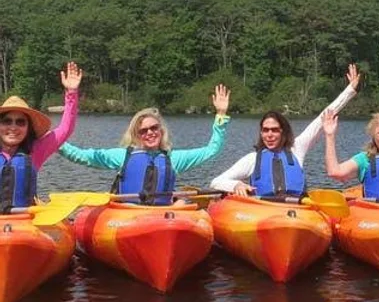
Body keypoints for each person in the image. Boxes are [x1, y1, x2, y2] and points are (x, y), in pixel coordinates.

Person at [59, 84, 230, 205]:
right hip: (127, 214)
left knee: (181, 204)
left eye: (154, 128)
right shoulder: (123, 156)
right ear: (137, 135)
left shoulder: (174, 159)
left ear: (161, 130)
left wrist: (221, 115)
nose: (150, 133)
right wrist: (56, 143)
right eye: (143, 130)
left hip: (161, 215)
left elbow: (212, 149)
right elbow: (82, 156)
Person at [210, 65, 361, 197]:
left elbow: (323, 117)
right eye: (265, 130)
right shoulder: (252, 159)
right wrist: (236, 185)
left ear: (282, 132)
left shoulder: (297, 148)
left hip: (295, 211)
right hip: (265, 211)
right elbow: (216, 182)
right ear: (261, 133)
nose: (269, 135)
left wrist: (350, 90)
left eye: (274, 130)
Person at [0, 62, 83, 212]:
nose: (13, 127)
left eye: (20, 122)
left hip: (24, 220)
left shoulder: (36, 150)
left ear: (28, 128)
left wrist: (71, 92)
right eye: (7, 121)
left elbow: (65, 129)